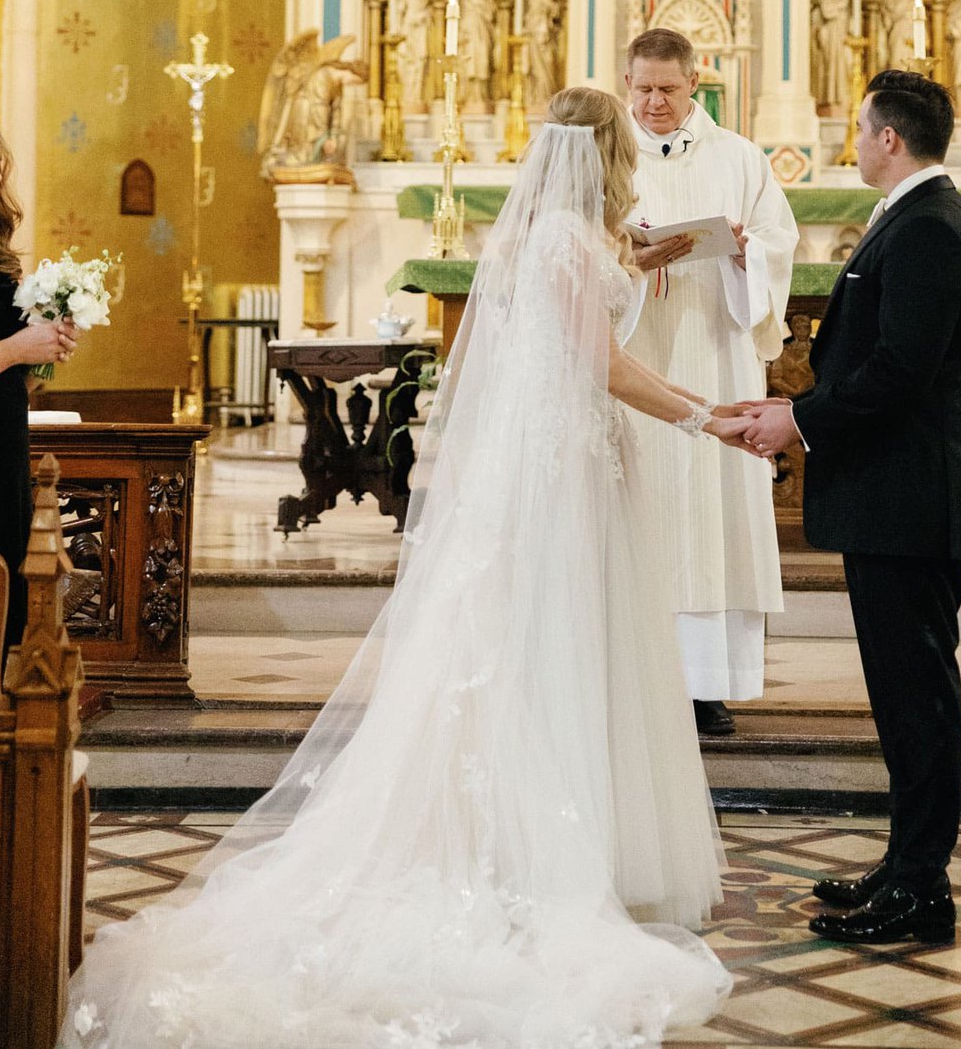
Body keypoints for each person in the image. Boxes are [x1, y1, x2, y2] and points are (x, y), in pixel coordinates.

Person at [61, 88, 747, 1049]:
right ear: (604, 148)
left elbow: (600, 341)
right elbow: (597, 361)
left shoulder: (577, 236)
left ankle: (573, 840)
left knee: (570, 640)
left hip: (578, 461)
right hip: (563, 471)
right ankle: (521, 851)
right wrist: (703, 415)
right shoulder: (560, 240)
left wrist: (686, 373)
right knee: (538, 644)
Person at [738, 71, 961, 947]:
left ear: (890, 139)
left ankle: (922, 887)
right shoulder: (914, 218)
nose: (852, 137)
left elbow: (899, 372)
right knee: (901, 693)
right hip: (892, 498)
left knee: (917, 695)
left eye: (859, 127)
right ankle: (905, 865)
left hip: (908, 501)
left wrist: (796, 420)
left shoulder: (931, 230)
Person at [623, 29, 797, 737]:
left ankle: (705, 686)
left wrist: (745, 252)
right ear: (626, 82)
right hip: (637, 353)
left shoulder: (740, 157)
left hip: (713, 350)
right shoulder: (607, 153)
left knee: (708, 512)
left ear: (697, 81)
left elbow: (779, 242)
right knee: (642, 507)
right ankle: (632, 675)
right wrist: (633, 250)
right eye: (644, 89)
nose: (657, 102)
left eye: (669, 88)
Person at [0, 109, 76, 667]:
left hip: (1, 463)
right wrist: (19, 348)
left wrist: (46, 347)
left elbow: (13, 381)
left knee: (2, 617)